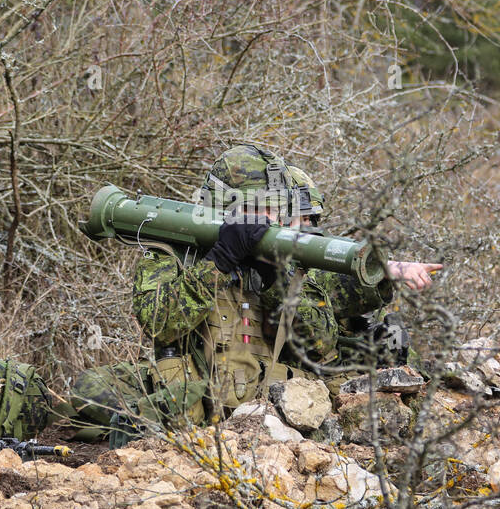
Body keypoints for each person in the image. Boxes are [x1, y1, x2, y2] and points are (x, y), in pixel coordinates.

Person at [121, 144, 441, 431]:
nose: (272, 219)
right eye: (263, 208)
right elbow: (160, 326)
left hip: (278, 420)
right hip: (200, 421)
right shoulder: (175, 255)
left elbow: (321, 344)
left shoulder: (281, 258)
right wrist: (219, 262)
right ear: (228, 205)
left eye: (278, 209)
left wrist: (277, 279)